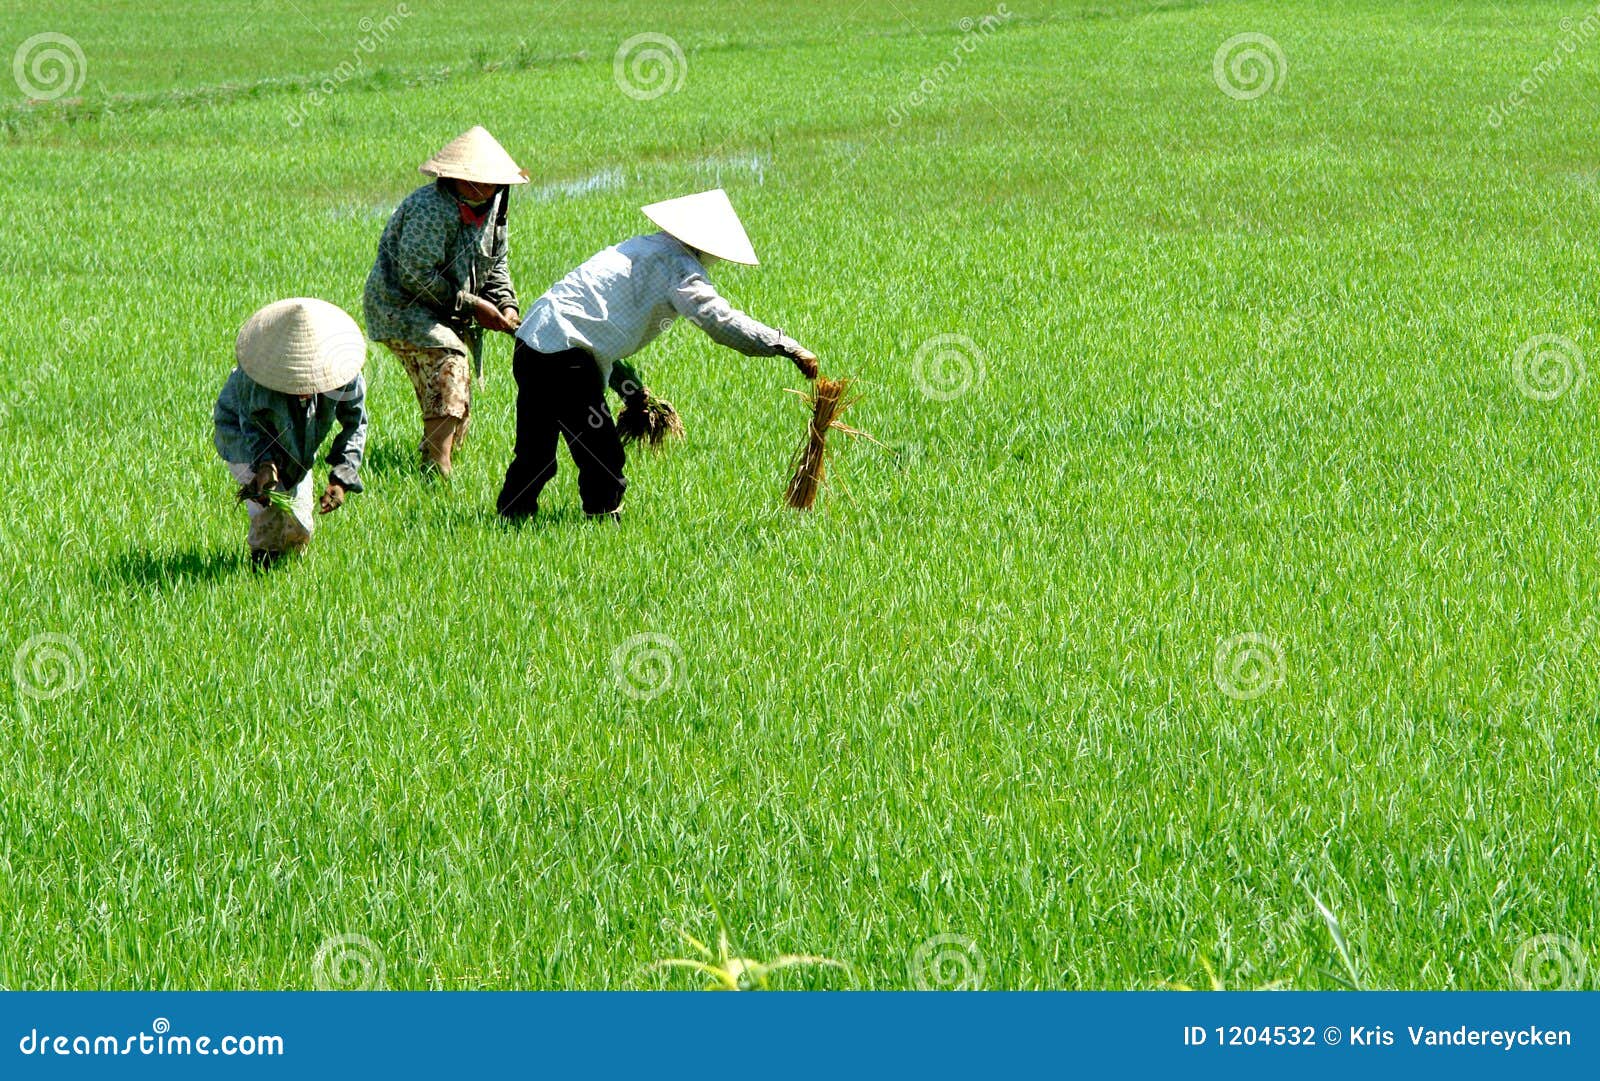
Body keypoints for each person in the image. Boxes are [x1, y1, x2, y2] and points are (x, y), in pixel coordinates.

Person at [496, 189, 818, 521]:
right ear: (705, 246)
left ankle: (511, 517)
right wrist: (785, 345)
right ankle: (603, 524)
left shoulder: (640, 246)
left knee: (536, 454)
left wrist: (631, 390)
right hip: (566, 360)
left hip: (532, 345)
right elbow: (718, 320)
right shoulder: (679, 267)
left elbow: (594, 328)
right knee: (603, 454)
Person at [363, 126, 526, 477]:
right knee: (450, 361)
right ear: (453, 178)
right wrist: (472, 306)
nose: (482, 188)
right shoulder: (430, 209)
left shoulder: (494, 208)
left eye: (490, 182)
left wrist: (506, 304)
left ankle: (433, 457)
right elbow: (415, 277)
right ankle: (438, 466)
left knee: (455, 386)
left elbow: (496, 263)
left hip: (446, 309)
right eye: (473, 181)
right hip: (401, 307)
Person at [213, 298, 369, 569]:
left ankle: (288, 571)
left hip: (300, 440)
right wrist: (266, 466)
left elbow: (355, 424)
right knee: (271, 509)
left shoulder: (342, 373)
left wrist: (342, 477)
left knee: (300, 523)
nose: (304, 387)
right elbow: (251, 424)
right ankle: (260, 566)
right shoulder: (259, 378)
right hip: (242, 436)